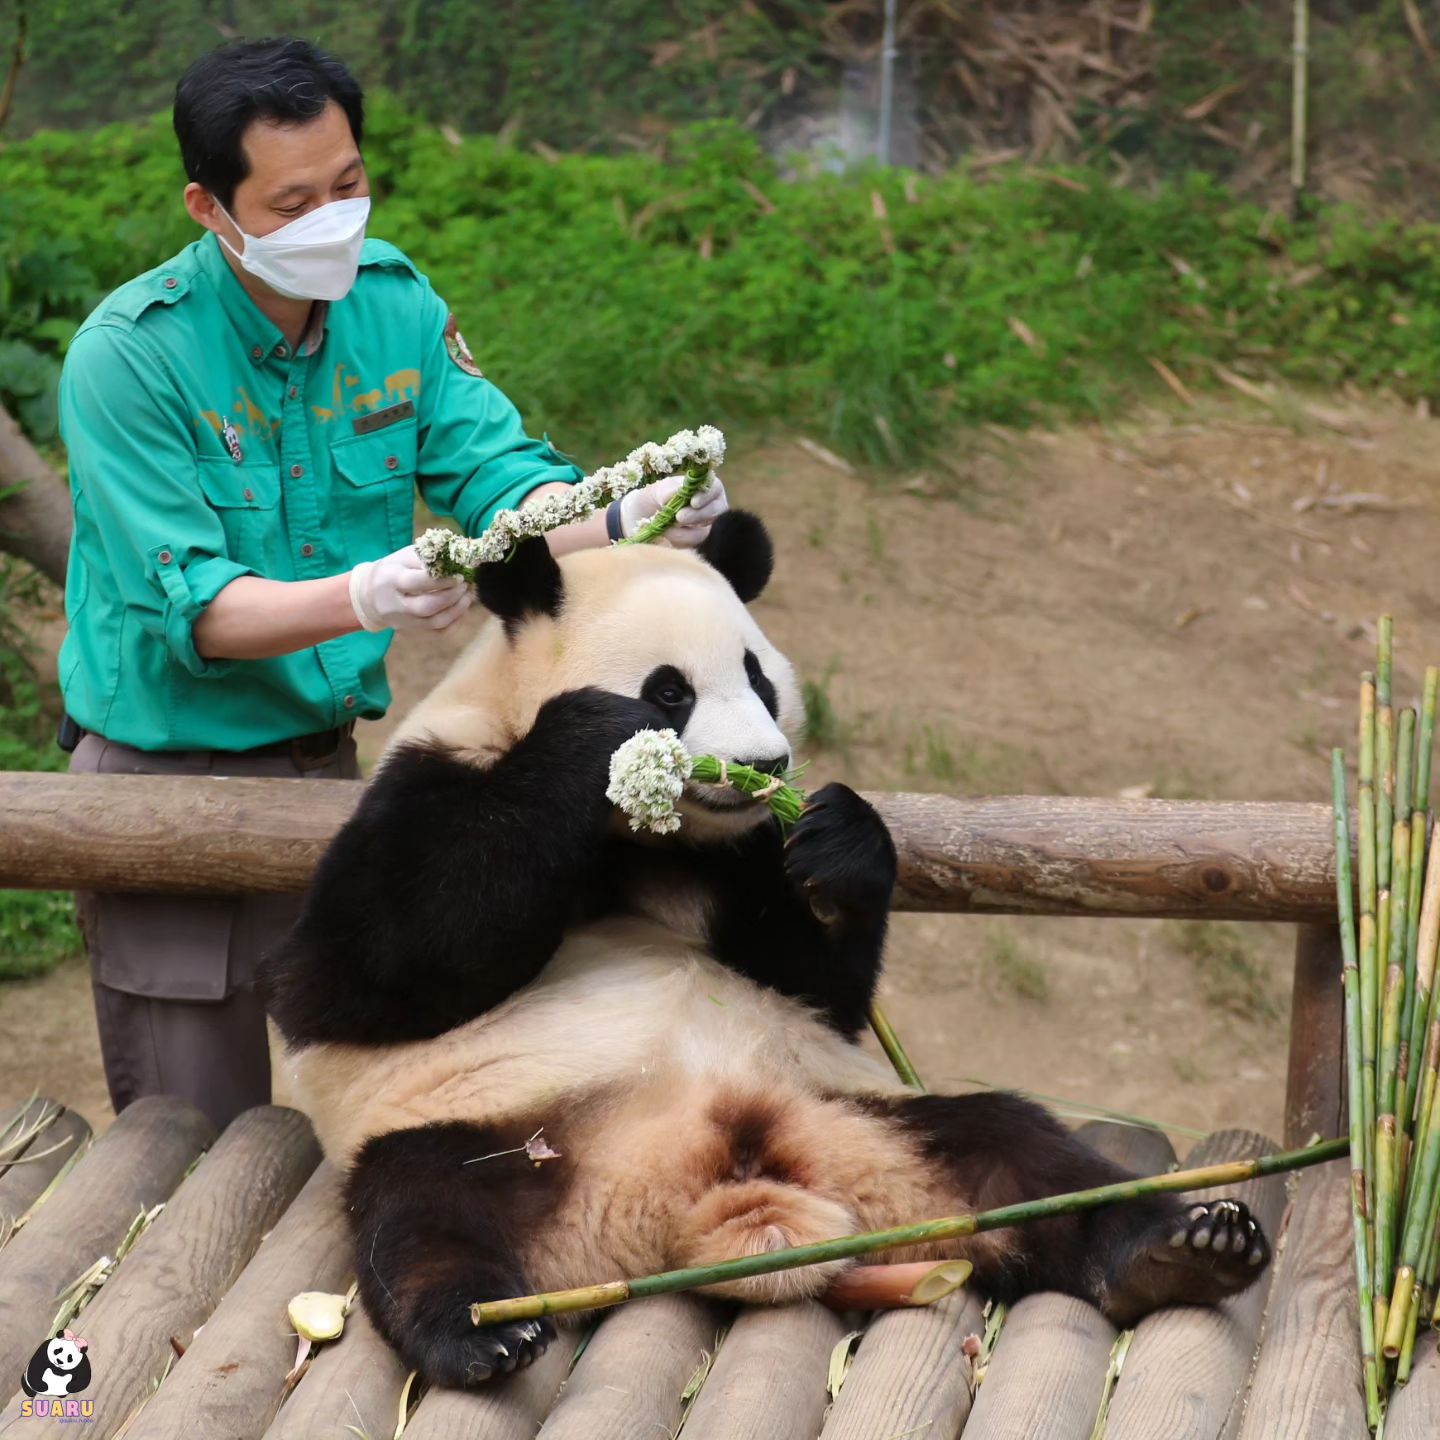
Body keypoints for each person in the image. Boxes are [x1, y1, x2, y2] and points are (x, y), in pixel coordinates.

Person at [56, 37, 728, 1132]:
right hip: (163, 778)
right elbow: (197, 611)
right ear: (209, 207)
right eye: (292, 202)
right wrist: (364, 596)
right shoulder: (129, 361)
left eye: (349, 184)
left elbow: (498, 480)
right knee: (189, 1142)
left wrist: (623, 520)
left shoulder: (393, 306)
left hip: (328, 770)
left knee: (373, 1102)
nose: (335, 218)